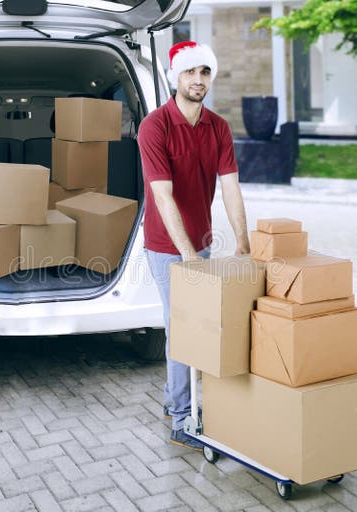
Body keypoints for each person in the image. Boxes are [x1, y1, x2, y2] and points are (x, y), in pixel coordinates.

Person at [138, 41, 251, 450]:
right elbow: (163, 196)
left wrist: (242, 240)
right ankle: (183, 418)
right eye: (190, 72)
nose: (198, 80)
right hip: (167, 246)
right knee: (182, 326)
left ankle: (175, 400)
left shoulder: (218, 128)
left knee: (195, 325)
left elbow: (231, 188)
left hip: (200, 244)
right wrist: (186, 254)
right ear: (176, 77)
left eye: (204, 71)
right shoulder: (154, 126)